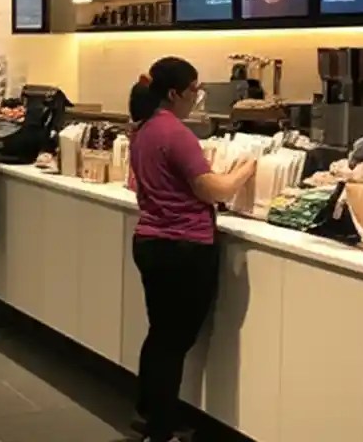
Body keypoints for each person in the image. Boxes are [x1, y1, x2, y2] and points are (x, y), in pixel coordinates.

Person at [128, 57, 256, 442]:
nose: (196, 97)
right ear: (174, 93)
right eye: (194, 90)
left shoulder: (144, 130)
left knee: (160, 334)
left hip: (150, 242)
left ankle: (151, 413)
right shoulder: (175, 133)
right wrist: (242, 173)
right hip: (183, 248)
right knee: (174, 341)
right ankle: (162, 431)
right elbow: (209, 189)